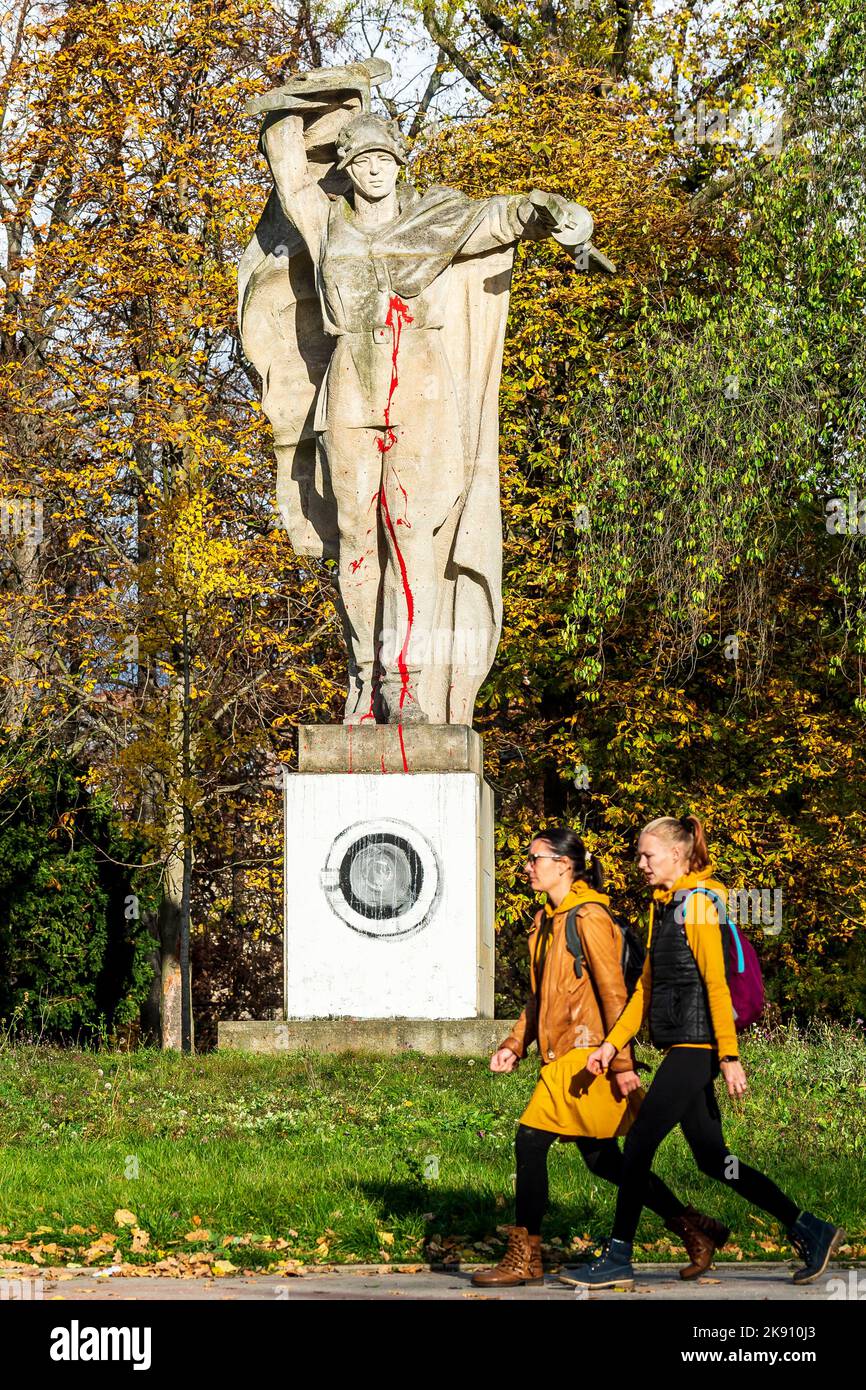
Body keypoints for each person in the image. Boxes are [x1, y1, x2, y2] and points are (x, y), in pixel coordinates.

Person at [258, 102, 596, 725]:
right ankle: (365, 678)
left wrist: (547, 208)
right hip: (351, 394)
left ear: (398, 164)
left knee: (411, 539)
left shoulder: (432, 218)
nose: (374, 171)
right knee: (356, 539)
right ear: (348, 169)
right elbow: (283, 157)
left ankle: (407, 682)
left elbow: (497, 218)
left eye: (384, 158)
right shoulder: (324, 221)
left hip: (420, 391)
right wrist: (311, 100)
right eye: (362, 160)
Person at [569, 813, 845, 1289]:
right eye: (639, 854)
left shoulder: (698, 906)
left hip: (696, 1048)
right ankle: (811, 1229)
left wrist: (729, 1058)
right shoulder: (666, 907)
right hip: (682, 1043)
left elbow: (716, 986)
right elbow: (644, 992)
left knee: (637, 1144)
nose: (640, 863)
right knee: (714, 1159)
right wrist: (612, 1044)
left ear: (676, 854)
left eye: (647, 854)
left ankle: (618, 1256)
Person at [472, 827, 727, 1288]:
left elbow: (615, 993)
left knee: (530, 1140)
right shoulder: (546, 921)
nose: (527, 867)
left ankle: (524, 1255)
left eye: (535, 859)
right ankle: (693, 1227)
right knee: (603, 1159)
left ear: (564, 865)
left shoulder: (588, 917)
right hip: (564, 1056)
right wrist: (514, 1044)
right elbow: (540, 998)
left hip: (588, 1053)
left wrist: (622, 1062)